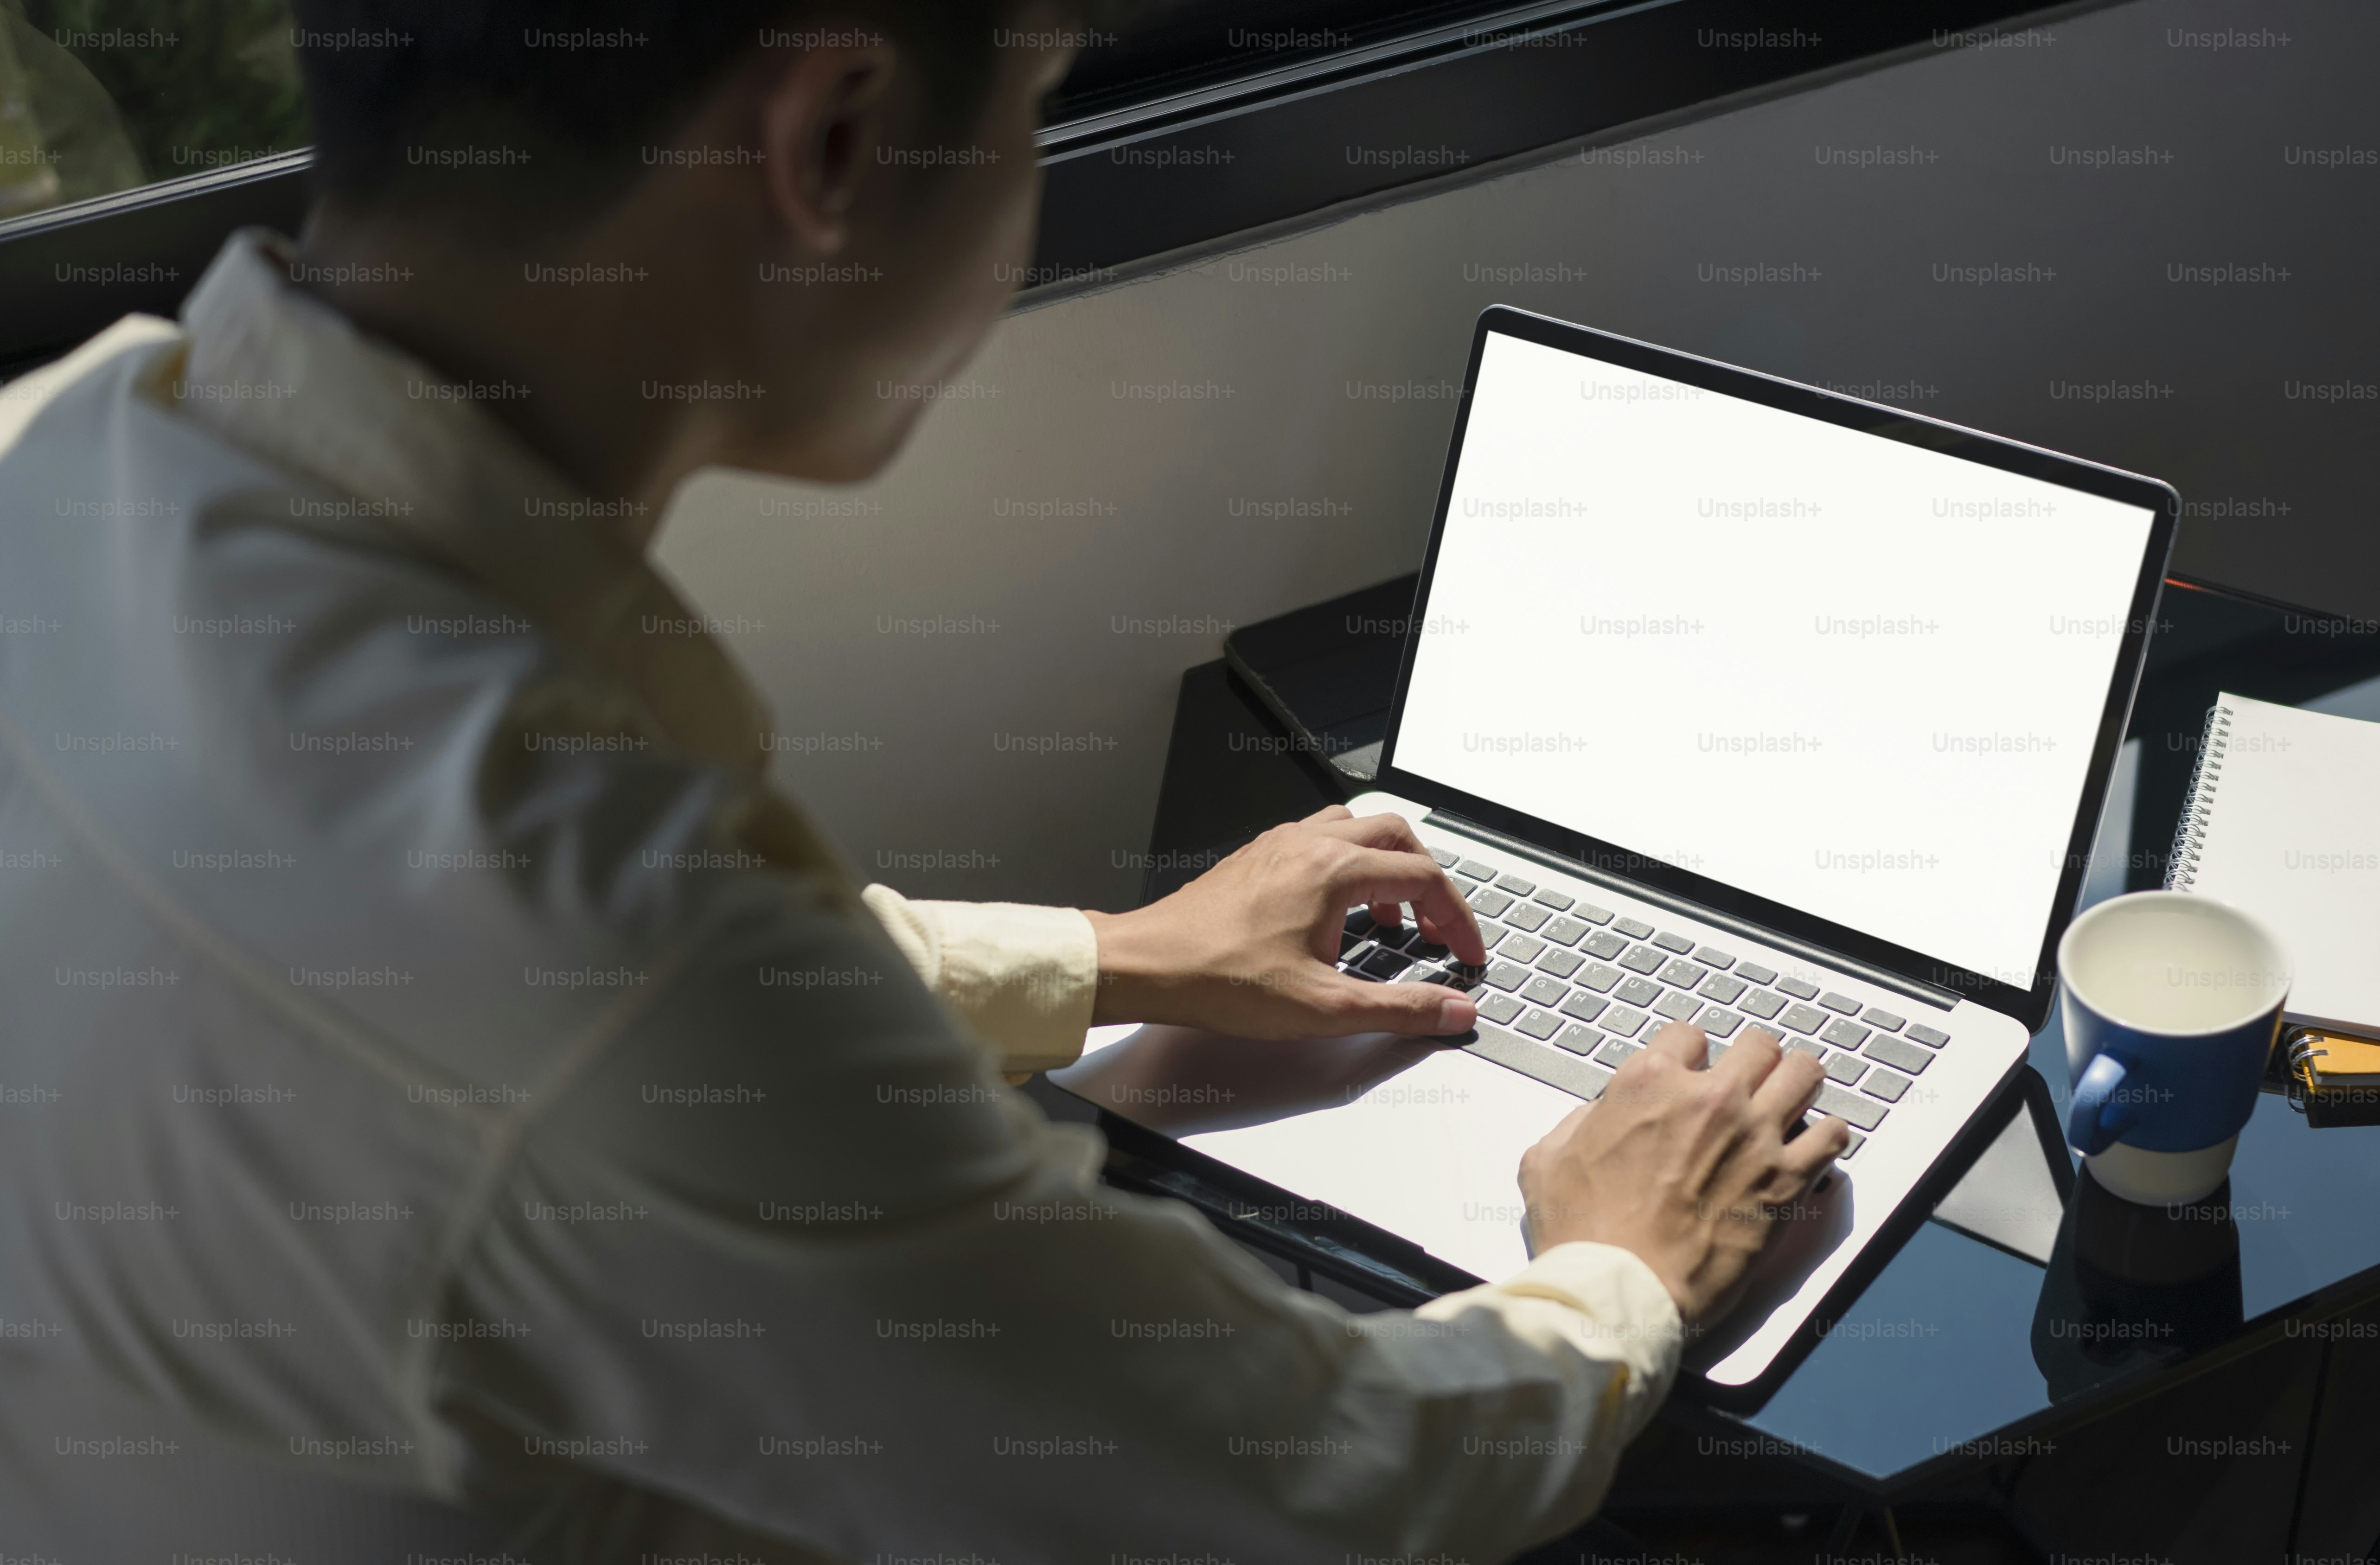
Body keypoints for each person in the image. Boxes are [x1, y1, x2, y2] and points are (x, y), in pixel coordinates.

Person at [0, 1, 1848, 1559]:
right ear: (835, 136)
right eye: (1037, 110)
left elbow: (528, 1027)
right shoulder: (594, 929)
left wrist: (1110, 956)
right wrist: (1623, 1266)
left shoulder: (68, 446)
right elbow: (1299, 1494)